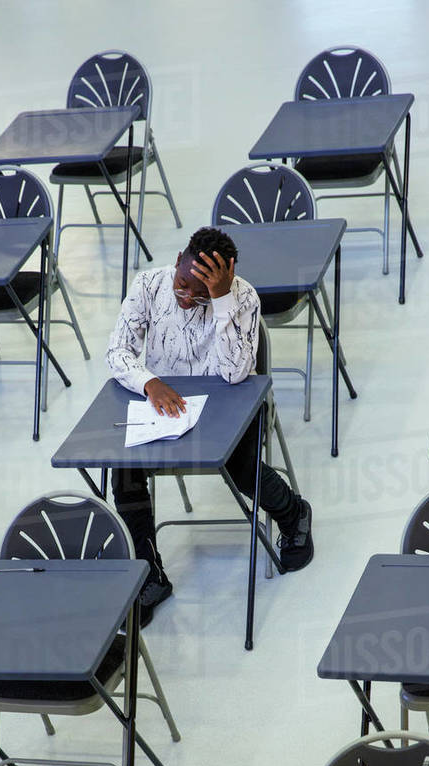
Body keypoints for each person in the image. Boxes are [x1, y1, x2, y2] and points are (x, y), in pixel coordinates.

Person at [106, 226, 313, 623]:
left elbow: (236, 374)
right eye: (183, 283)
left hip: (230, 401)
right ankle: (150, 572)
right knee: (124, 470)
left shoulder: (243, 297)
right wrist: (149, 382)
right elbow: (117, 352)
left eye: (199, 292)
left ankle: (294, 514)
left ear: (225, 278)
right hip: (167, 401)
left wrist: (219, 300)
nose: (186, 297)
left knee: (238, 465)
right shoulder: (148, 285)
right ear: (180, 257)